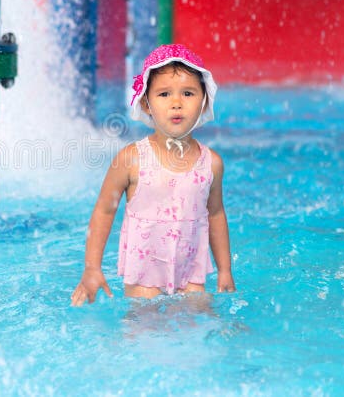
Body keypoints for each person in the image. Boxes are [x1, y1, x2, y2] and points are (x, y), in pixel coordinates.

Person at [71, 44, 236, 306]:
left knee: (200, 319)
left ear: (204, 100)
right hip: (144, 276)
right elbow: (104, 210)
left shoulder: (211, 163)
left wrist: (224, 270)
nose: (176, 103)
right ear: (146, 104)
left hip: (191, 273)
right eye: (164, 94)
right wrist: (92, 268)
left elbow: (215, 214)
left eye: (188, 93)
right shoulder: (131, 159)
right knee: (143, 324)